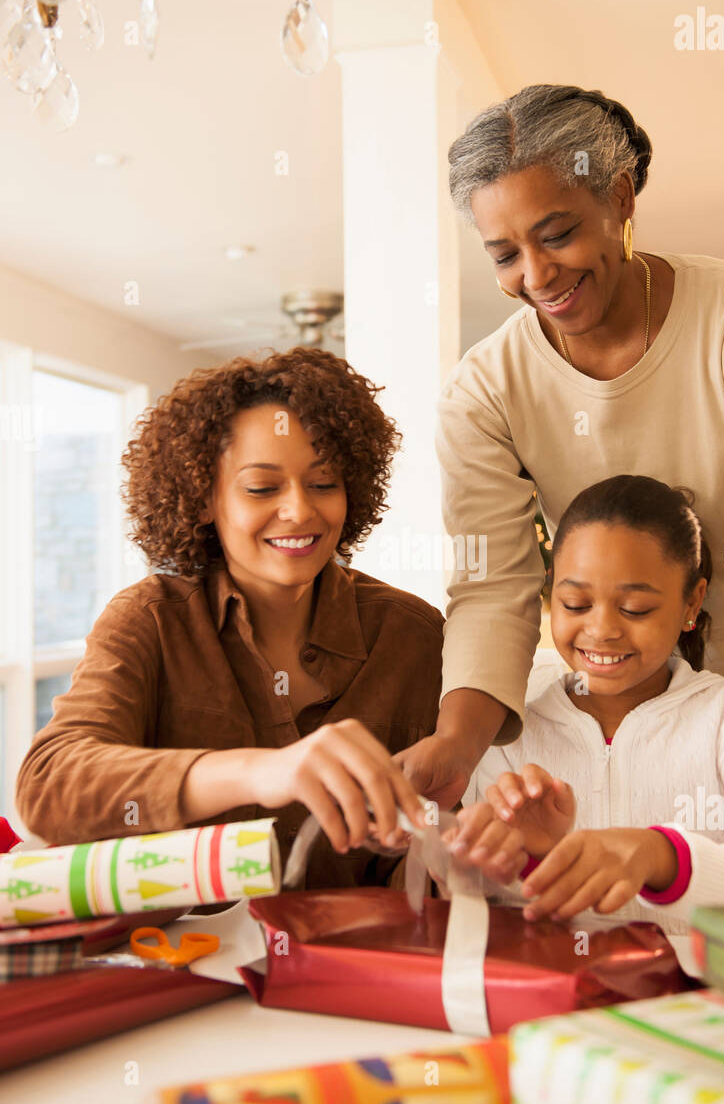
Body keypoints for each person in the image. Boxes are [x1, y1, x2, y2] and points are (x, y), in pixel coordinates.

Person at [398, 83, 724, 809]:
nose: (536, 275)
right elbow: (495, 586)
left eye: (556, 234)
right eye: (504, 254)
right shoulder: (484, 390)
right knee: (662, 899)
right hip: (631, 712)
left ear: (620, 198)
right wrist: (457, 746)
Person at [15, 349, 439, 888]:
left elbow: (421, 856)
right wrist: (259, 771)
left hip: (350, 962)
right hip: (183, 960)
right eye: (262, 488)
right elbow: (50, 784)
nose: (300, 511)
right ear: (203, 499)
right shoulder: (150, 621)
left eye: (324, 483)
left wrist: (450, 856)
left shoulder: (413, 635)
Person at [438, 476, 724, 940]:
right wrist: (518, 858)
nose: (601, 629)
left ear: (692, 601)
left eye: (636, 608)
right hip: (549, 1002)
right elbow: (467, 907)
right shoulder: (508, 724)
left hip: (698, 1002)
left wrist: (660, 857)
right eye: (576, 603)